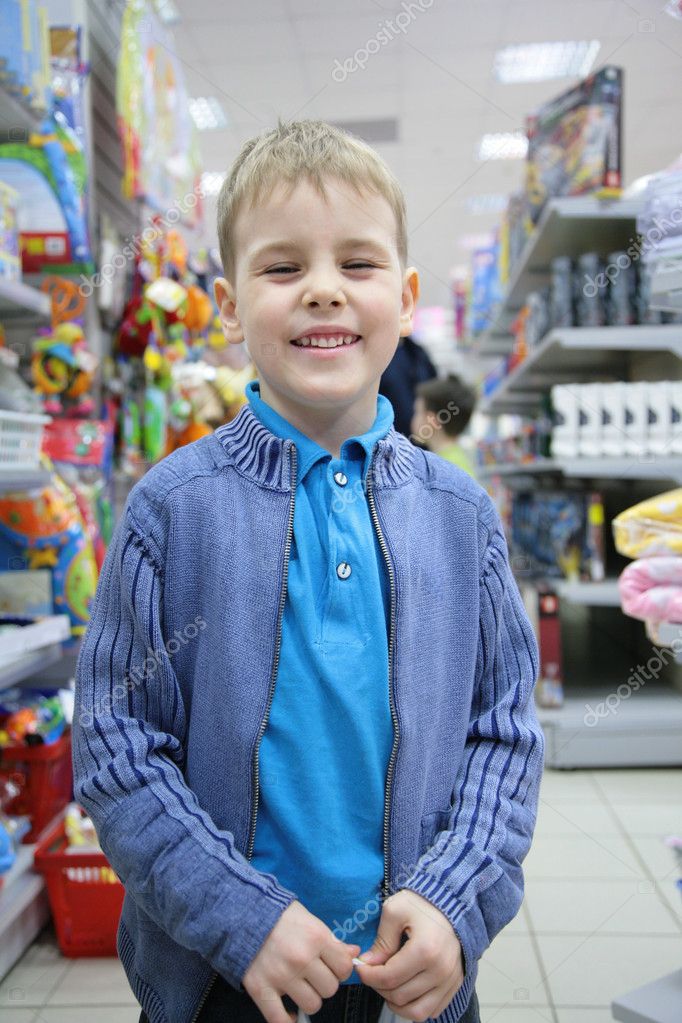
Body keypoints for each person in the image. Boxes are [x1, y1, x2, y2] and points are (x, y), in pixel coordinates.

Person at [72, 119, 544, 1023]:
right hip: (223, 978)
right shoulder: (173, 510)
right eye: (283, 267)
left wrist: (456, 899)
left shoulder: (461, 518)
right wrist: (238, 915)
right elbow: (117, 744)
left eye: (358, 265)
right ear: (228, 303)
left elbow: (504, 735)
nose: (323, 290)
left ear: (404, 299)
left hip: (414, 978)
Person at [410, 375, 478, 477]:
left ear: (432, 420)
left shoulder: (440, 469)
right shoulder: (458, 462)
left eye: (417, 412)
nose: (413, 418)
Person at [378, 334, 437, 438]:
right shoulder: (378, 357)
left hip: (423, 438)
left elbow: (434, 389)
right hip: (389, 440)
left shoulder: (417, 353)